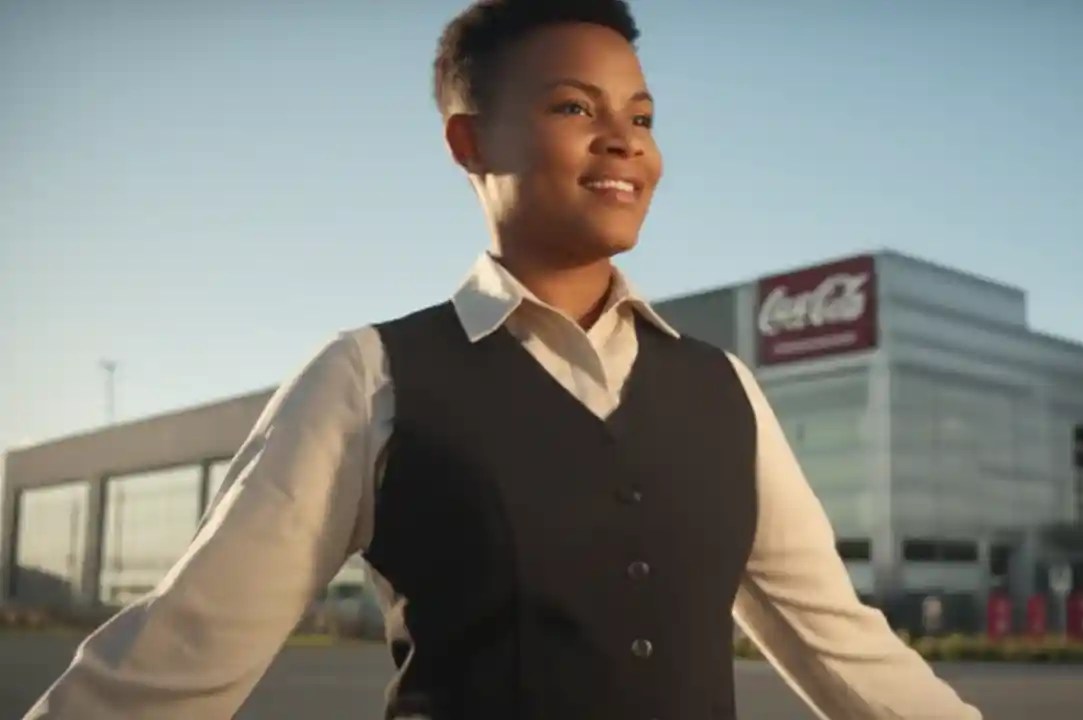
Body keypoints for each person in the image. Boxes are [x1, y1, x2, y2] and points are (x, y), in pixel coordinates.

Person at [24, 1, 983, 718]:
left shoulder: (723, 389)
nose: (625, 142)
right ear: (470, 141)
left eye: (643, 116)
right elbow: (169, 665)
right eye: (575, 106)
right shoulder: (370, 377)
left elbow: (848, 654)